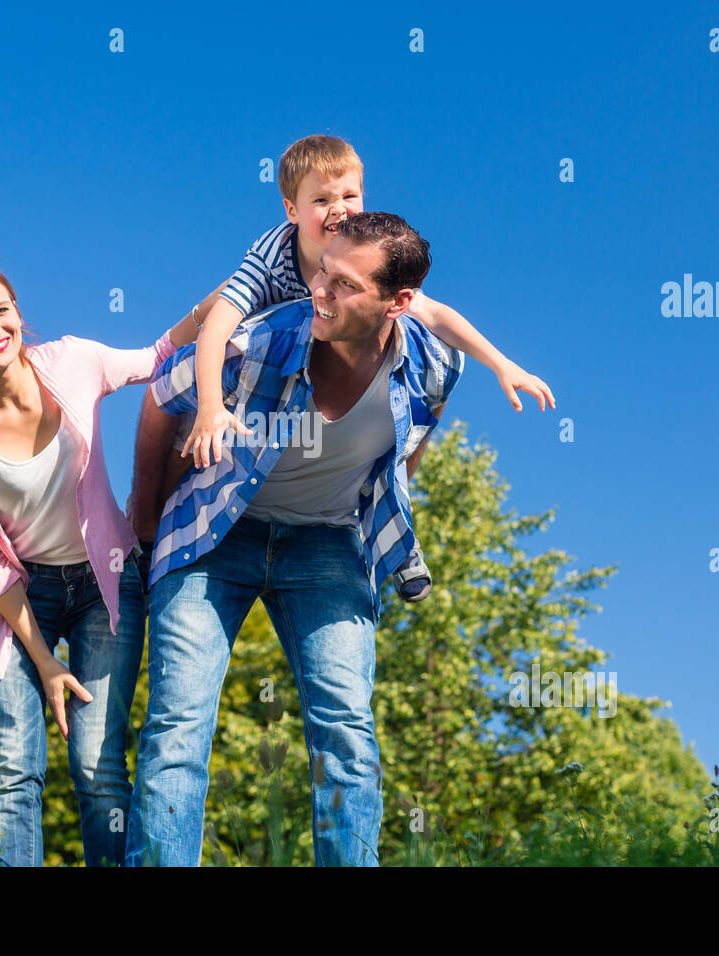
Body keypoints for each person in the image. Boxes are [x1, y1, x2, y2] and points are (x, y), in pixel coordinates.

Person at [125, 213, 464, 866]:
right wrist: (145, 520)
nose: (321, 292)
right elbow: (158, 400)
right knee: (178, 727)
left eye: (345, 285)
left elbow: (419, 428)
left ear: (399, 303)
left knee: (347, 733)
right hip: (213, 538)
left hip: (327, 545)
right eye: (322, 274)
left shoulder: (435, 366)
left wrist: (383, 493)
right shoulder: (256, 341)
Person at [134, 133, 555, 604]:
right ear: (291, 210)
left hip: (323, 348)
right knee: (203, 367)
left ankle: (395, 534)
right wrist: (211, 405)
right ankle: (154, 375)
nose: (339, 208)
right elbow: (216, 328)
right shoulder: (274, 255)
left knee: (387, 442)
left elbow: (433, 313)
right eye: (321, 199)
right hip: (260, 354)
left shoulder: (364, 250)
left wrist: (502, 364)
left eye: (349, 195)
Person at [0, 260, 197, 865]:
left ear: (19, 313)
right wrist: (47, 664)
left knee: (99, 767)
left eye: (0, 310)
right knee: (13, 774)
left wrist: (225, 307)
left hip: (107, 586)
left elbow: (158, 354)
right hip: (20, 604)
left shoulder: (72, 363)